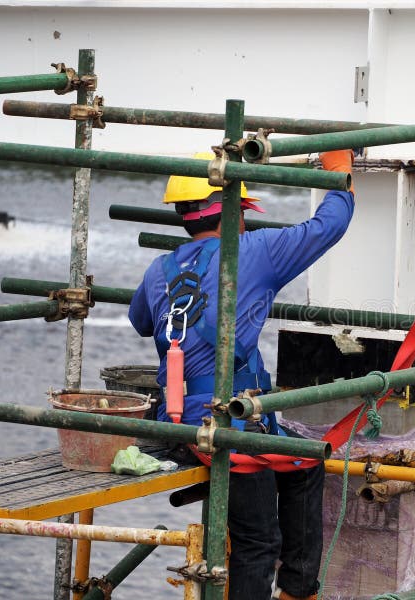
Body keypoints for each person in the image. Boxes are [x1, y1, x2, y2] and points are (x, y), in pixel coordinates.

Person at [128, 150, 355, 600]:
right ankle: (298, 588)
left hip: (174, 419)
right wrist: (340, 177)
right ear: (235, 211)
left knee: (305, 460)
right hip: (227, 423)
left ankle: (296, 589)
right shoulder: (254, 251)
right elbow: (327, 227)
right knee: (258, 542)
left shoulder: (161, 269)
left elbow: (141, 322)